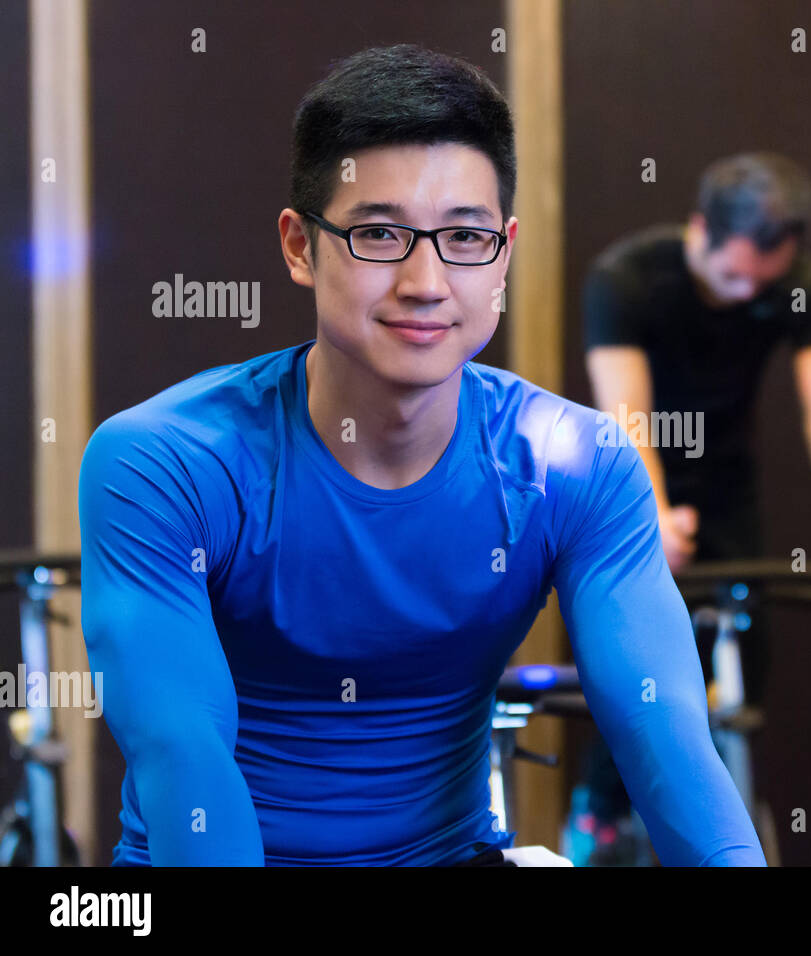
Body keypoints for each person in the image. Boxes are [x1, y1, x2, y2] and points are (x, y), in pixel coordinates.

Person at [78, 45, 764, 867]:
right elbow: (180, 758)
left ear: (504, 252)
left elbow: (667, 741)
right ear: (300, 246)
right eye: (379, 233)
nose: (426, 280)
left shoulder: (573, 466)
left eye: (465, 237)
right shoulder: (165, 462)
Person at [570, 153, 811, 862]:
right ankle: (601, 811)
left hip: (729, 488)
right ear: (700, 228)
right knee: (641, 675)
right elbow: (626, 416)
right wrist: (654, 516)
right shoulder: (626, 279)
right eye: (731, 276)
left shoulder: (803, 286)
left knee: (739, 673)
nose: (743, 293)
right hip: (634, 483)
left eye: (762, 282)